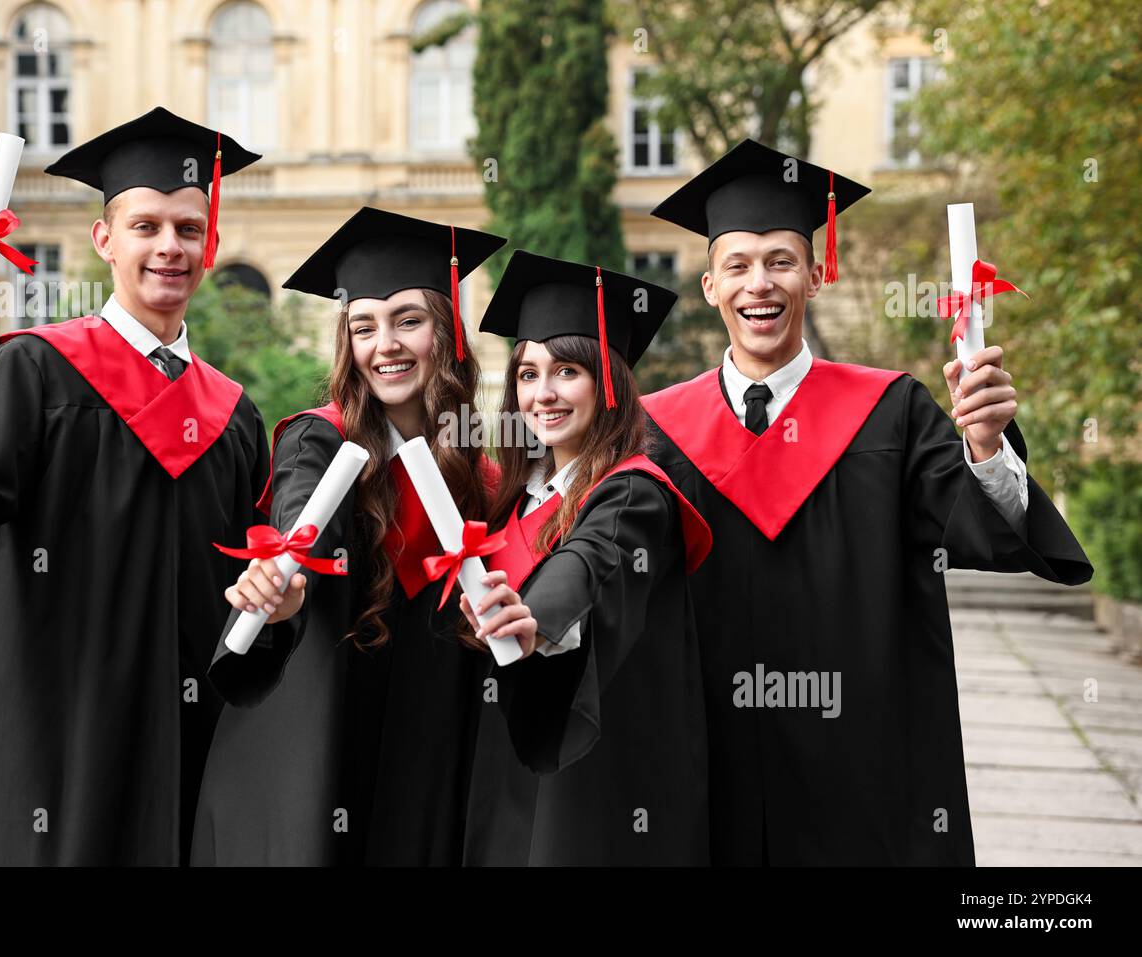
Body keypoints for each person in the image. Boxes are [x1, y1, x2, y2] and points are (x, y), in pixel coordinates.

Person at [641, 138, 1094, 865]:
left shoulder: (891, 411)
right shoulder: (656, 427)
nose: (761, 283)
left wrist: (985, 444)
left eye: (782, 261)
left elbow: (986, 530)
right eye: (739, 265)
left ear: (816, 276)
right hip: (706, 760)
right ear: (710, 288)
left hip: (854, 768)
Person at [0, 107, 267, 865]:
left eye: (188, 228)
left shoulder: (235, 416)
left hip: (189, 754)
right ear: (105, 240)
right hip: (51, 745)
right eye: (146, 226)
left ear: (209, 245)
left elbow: (252, 594)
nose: (169, 246)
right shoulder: (33, 370)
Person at [192, 207, 505, 865]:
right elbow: (302, 520)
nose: (385, 344)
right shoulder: (319, 437)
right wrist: (287, 587)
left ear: (445, 333)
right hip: (318, 739)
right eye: (364, 327)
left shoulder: (480, 473)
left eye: (408, 321)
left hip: (423, 756)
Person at [459, 251, 714, 865]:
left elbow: (594, 558)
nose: (542, 394)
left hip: (598, 782)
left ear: (609, 384)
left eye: (567, 371)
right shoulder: (509, 500)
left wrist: (535, 618)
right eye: (527, 374)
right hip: (506, 774)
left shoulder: (633, 491)